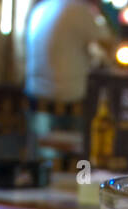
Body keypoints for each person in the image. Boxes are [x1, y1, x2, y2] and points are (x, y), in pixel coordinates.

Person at [24, 0, 114, 134]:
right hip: (69, 100)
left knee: (40, 149)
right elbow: (109, 48)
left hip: (35, 95)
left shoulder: (40, 9)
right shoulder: (79, 10)